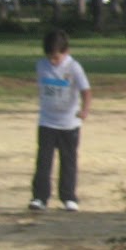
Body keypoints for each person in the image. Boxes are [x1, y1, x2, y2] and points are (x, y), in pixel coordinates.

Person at [30, 29, 91, 212]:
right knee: (44, 161)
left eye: (57, 57)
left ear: (67, 52)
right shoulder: (41, 65)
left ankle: (68, 197)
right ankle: (40, 197)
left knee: (68, 160)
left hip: (69, 123)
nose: (53, 61)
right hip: (47, 121)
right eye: (50, 56)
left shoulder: (74, 67)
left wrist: (85, 110)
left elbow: (86, 91)